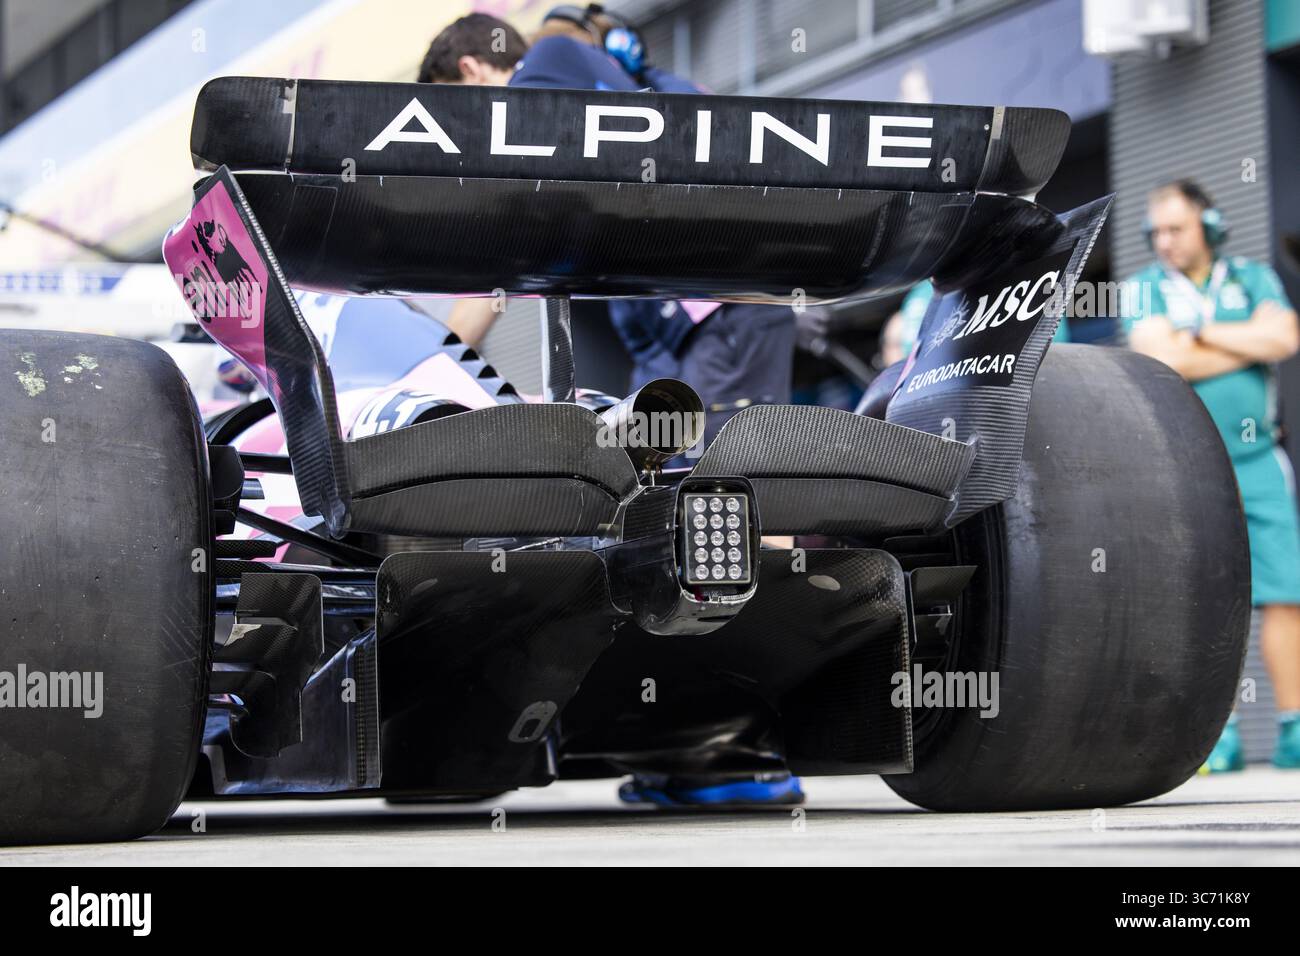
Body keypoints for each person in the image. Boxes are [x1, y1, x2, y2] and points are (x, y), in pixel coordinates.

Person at [420, 8, 804, 807]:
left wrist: (423, 369)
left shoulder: (547, 75)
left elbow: (488, 287)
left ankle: (727, 742)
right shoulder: (605, 90)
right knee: (682, 496)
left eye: (455, 116)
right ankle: (703, 736)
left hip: (723, 306)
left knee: (728, 503)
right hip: (697, 314)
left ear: (469, 75)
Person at [1123, 179, 1300, 771]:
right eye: (1157, 232)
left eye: (1177, 229)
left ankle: (1293, 728)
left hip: (1260, 462)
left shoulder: (1250, 277)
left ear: (1211, 225)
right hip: (1187, 465)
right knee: (1206, 596)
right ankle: (1216, 737)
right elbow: (1161, 357)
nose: (1164, 242)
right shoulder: (1142, 288)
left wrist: (1196, 334)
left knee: (1286, 593)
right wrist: (1243, 342)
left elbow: (1286, 336)